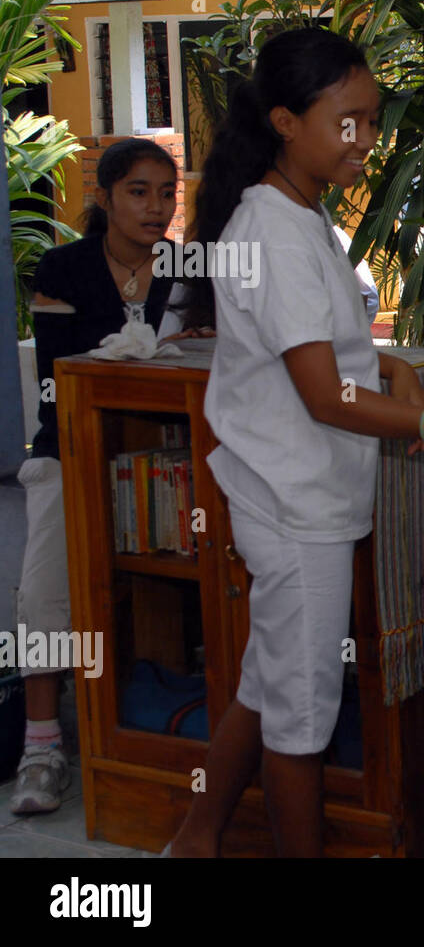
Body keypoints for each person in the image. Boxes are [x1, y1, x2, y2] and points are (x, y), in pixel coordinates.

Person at [165, 27, 424, 858]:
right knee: (301, 722)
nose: (366, 141)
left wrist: (395, 378)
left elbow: (338, 360)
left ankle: (198, 836)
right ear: (287, 120)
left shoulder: (304, 219)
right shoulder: (271, 232)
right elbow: (325, 397)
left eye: (372, 122)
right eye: (349, 121)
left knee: (270, 684)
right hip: (295, 509)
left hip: (306, 492)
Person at [11, 138, 182, 815]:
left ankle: (174, 721)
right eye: (139, 191)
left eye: (167, 193)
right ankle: (42, 746)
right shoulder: (62, 267)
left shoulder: (184, 268)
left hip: (168, 453)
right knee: (44, 589)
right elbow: (62, 379)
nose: (156, 207)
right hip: (71, 451)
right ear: (106, 197)